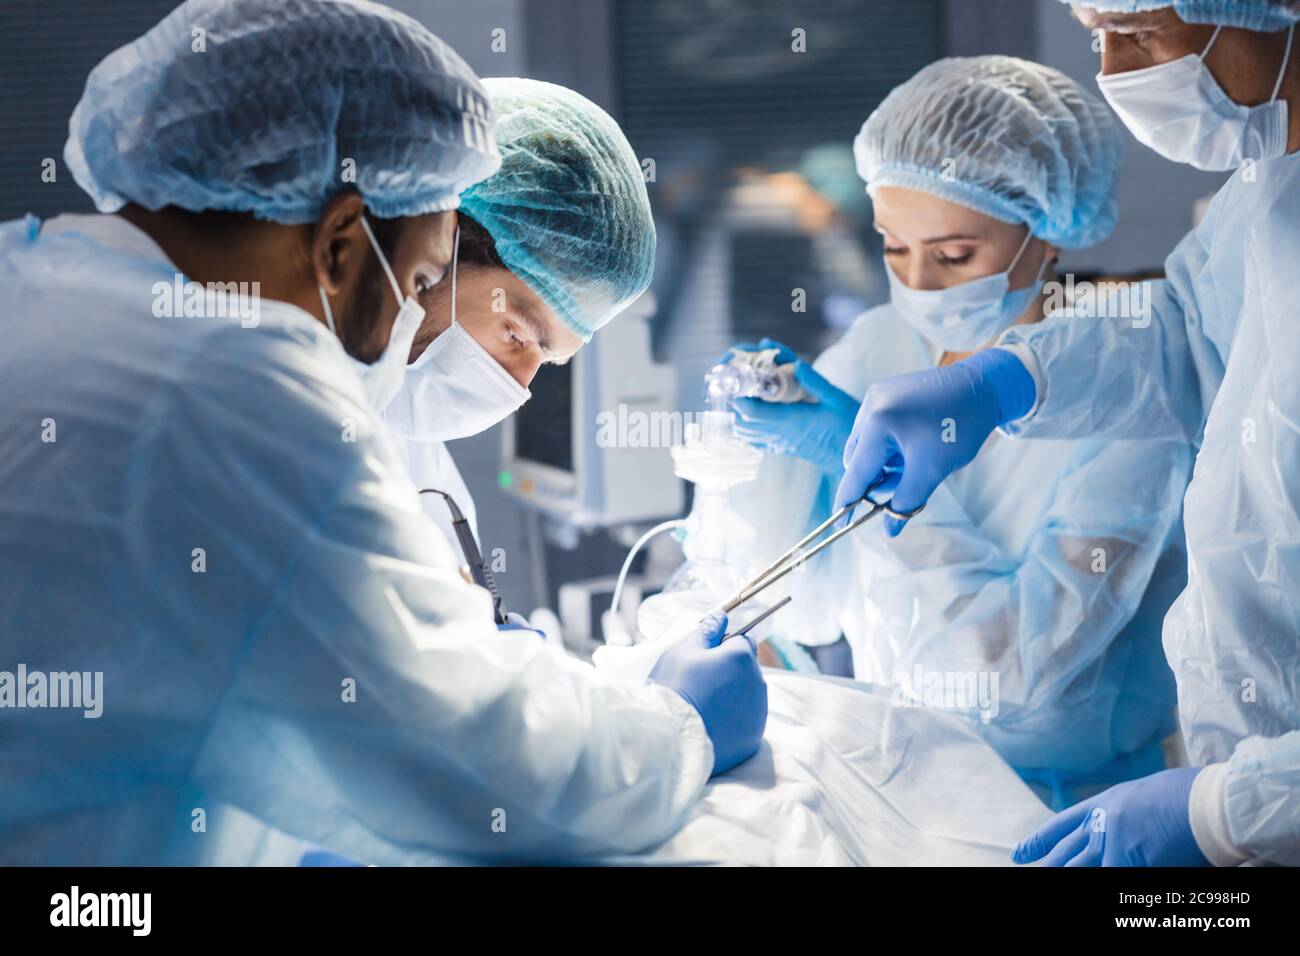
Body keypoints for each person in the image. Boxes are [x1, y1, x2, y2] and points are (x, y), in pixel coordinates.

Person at [0, 0, 765, 866]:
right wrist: (677, 726)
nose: (413, 322)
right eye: (426, 275)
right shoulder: (239, 399)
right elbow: (502, 777)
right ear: (338, 245)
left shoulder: (25, 274)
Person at [836, 0, 1300, 866]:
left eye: (1144, 33)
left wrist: (1232, 811)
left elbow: (1022, 668)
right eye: (1099, 37)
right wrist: (1011, 380)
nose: (1115, 72)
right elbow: (1183, 331)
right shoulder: (1267, 194)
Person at [725, 57, 1191, 808]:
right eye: (891, 247)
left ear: (1048, 230)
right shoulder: (877, 349)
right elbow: (804, 608)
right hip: (895, 781)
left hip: (1068, 807)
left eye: (952, 255)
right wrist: (755, 460)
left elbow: (1010, 673)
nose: (918, 283)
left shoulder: (1133, 400)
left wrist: (891, 495)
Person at [381, 77, 655, 555]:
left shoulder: (401, 450)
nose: (518, 388)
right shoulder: (252, 384)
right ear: (438, 242)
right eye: (517, 332)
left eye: (545, 364)